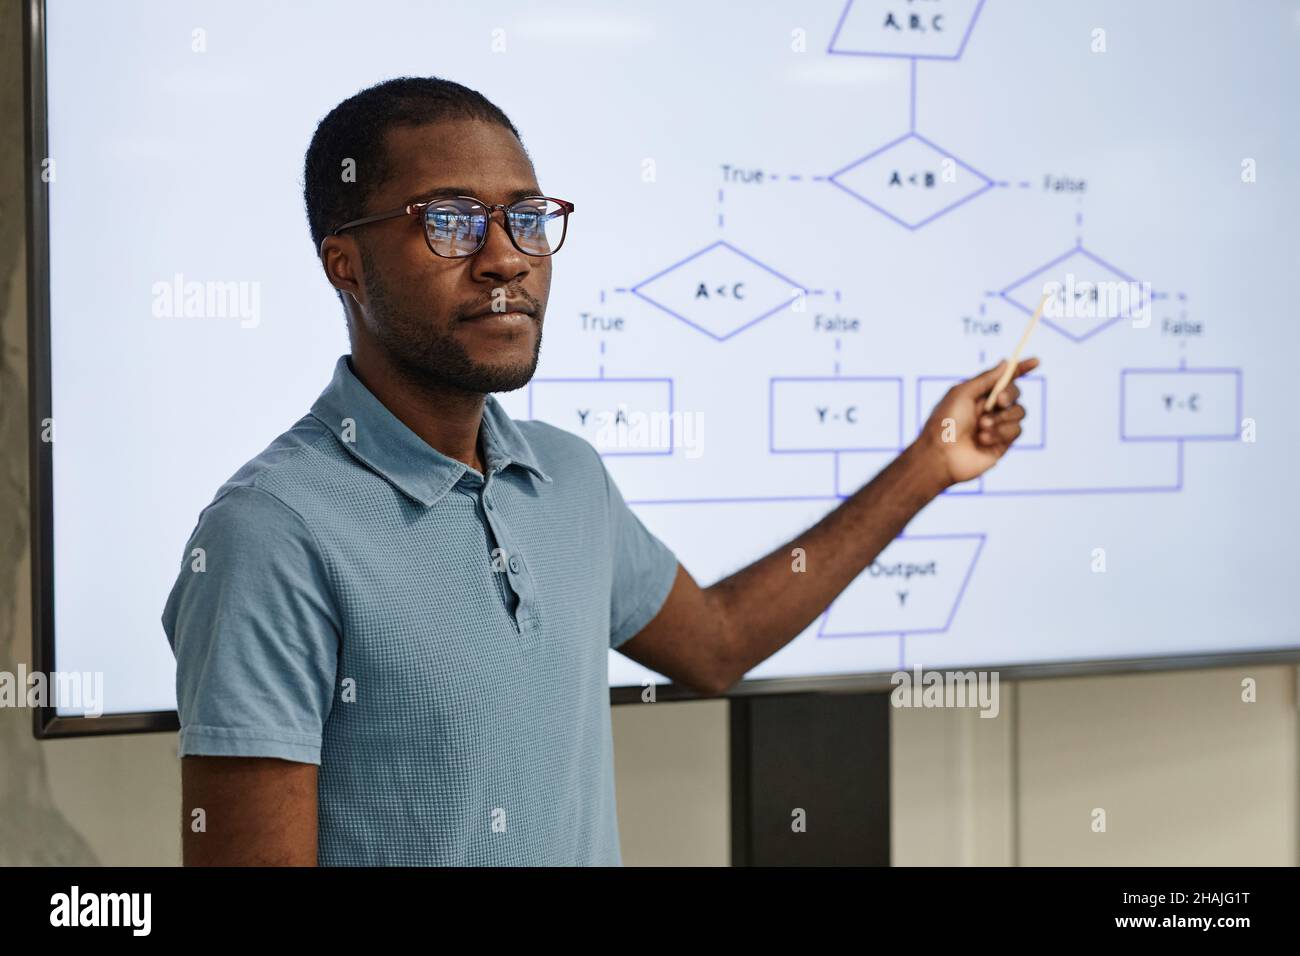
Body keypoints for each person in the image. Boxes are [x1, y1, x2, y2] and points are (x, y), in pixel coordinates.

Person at [163, 76, 1038, 866]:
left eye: (526, 217)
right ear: (344, 263)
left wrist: (928, 465)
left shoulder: (566, 478)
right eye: (449, 221)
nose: (505, 257)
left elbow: (718, 645)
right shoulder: (269, 532)